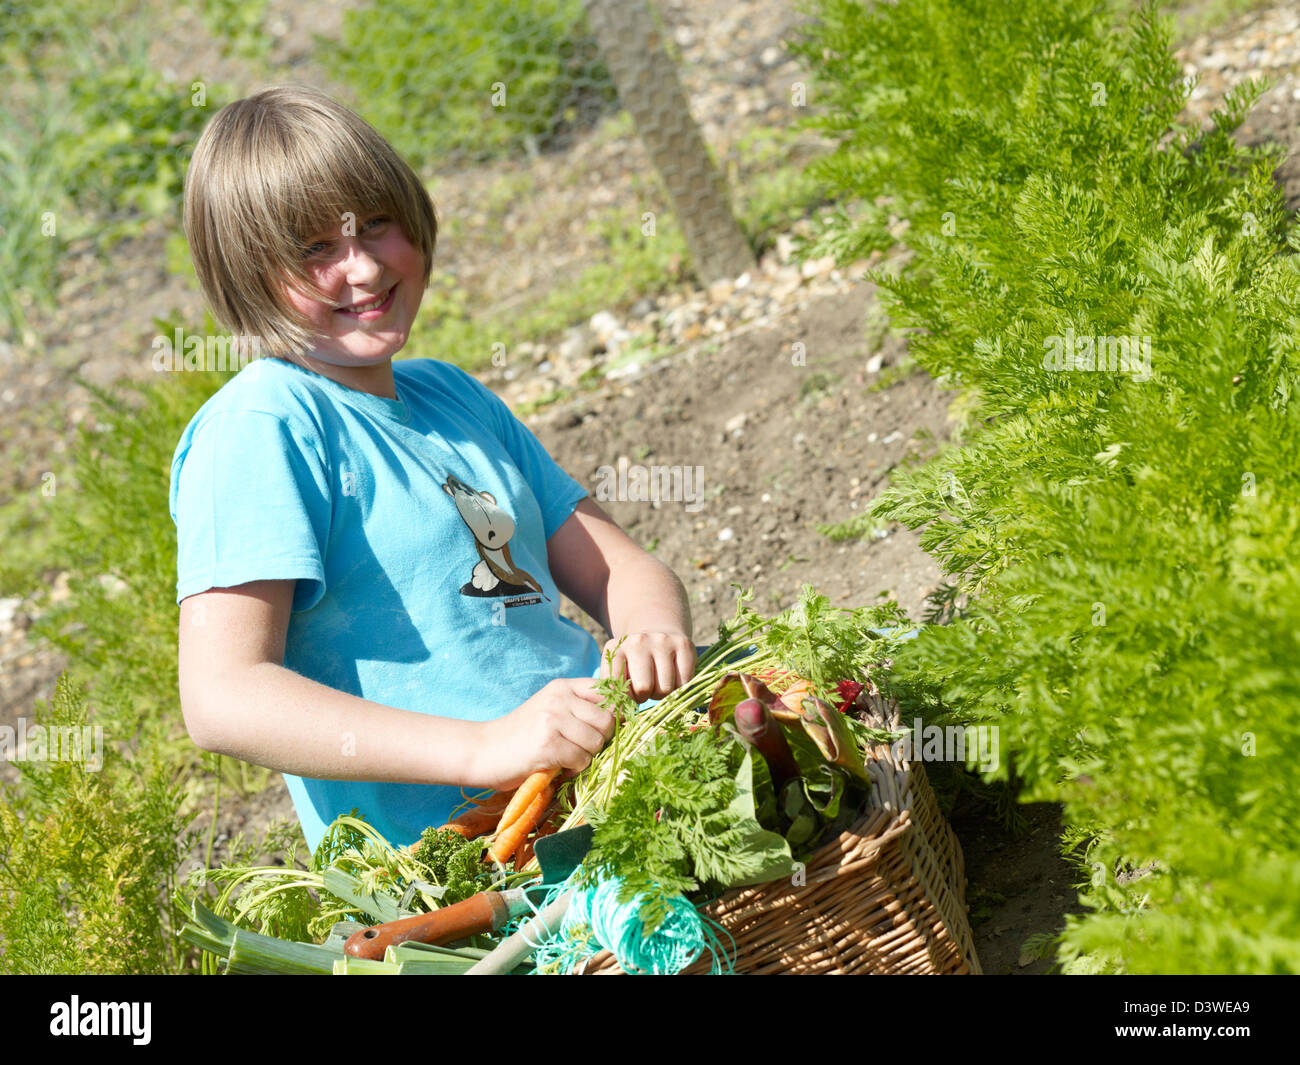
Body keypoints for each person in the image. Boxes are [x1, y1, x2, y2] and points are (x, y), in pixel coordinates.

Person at [170, 85, 696, 853]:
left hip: (610, 782)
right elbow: (223, 696)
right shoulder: (263, 427)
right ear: (248, 274)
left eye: (375, 224)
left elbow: (621, 568)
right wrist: (486, 748)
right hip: (471, 858)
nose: (361, 267)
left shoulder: (451, 395)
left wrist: (652, 632)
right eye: (315, 250)